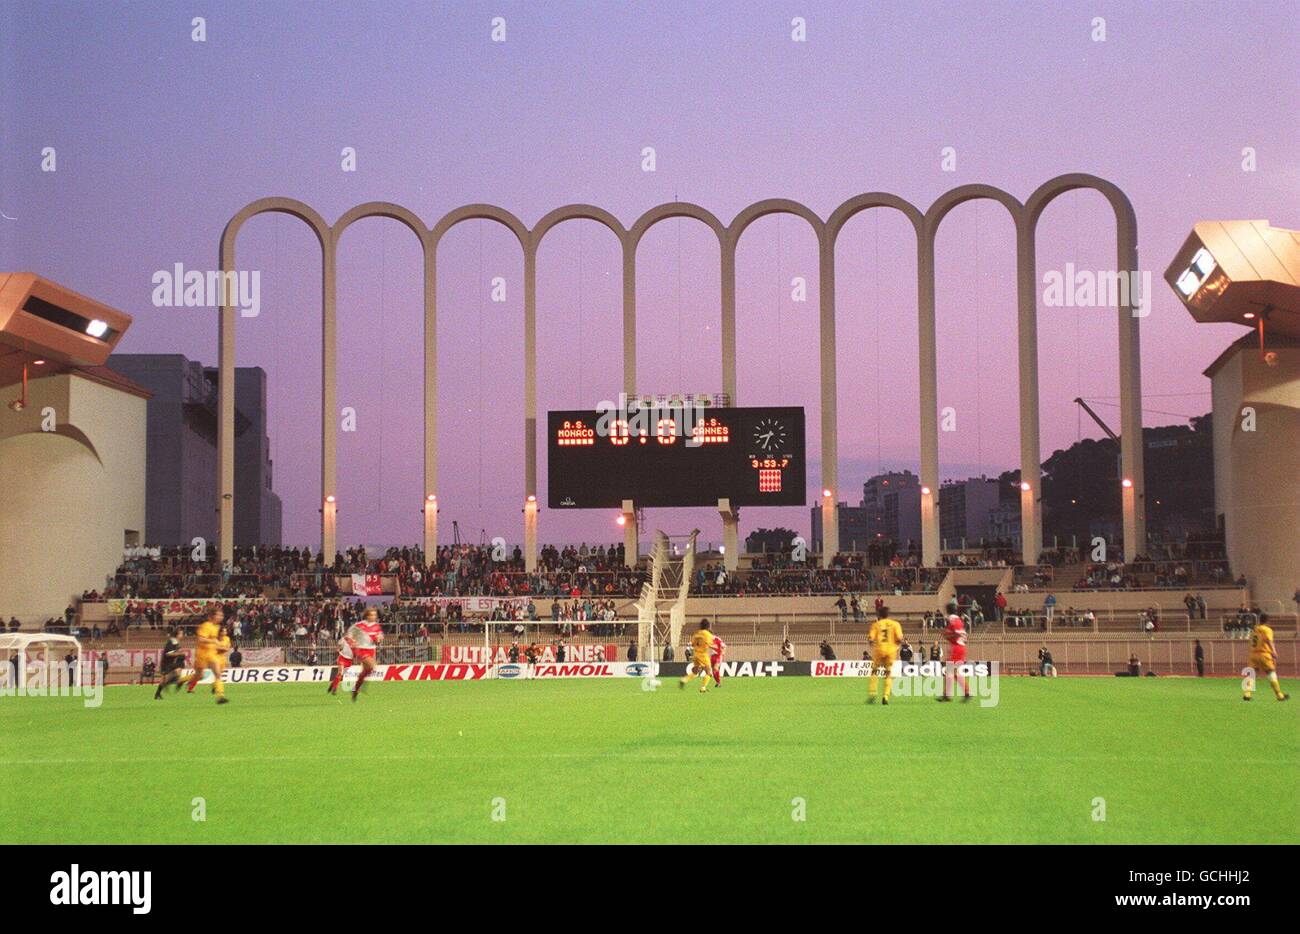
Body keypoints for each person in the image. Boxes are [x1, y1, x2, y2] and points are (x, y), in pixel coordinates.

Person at [328, 607, 384, 701]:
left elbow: (380, 637)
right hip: (361, 650)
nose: (373, 616)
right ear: (366, 615)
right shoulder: (359, 625)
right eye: (371, 614)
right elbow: (349, 634)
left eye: (375, 615)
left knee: (367, 671)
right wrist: (352, 642)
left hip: (372, 650)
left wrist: (379, 639)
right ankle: (346, 687)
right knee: (372, 665)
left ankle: (356, 689)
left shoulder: (376, 626)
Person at [179, 606, 229, 704]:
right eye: (219, 615)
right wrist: (214, 641)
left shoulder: (217, 627)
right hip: (202, 654)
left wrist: (218, 646)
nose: (221, 617)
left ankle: (220, 696)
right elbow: (200, 640)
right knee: (199, 675)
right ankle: (181, 680)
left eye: (221, 615)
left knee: (217, 674)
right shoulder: (206, 626)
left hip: (211, 654)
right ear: (212, 616)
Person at [1244, 613, 1289, 702]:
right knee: (1271, 672)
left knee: (1252, 674)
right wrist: (1274, 651)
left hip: (1253, 654)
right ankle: (1279, 695)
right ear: (1268, 621)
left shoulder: (1255, 629)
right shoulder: (1267, 630)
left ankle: (1247, 694)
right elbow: (1268, 640)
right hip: (1264, 654)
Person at [866, 606, 904, 705]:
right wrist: (898, 643)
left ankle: (873, 693)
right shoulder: (895, 624)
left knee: (874, 671)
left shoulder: (876, 625)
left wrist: (871, 642)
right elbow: (900, 638)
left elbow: (871, 638)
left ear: (879, 615)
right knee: (888, 673)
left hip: (879, 650)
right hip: (891, 651)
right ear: (888, 614)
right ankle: (885, 696)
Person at [939, 601, 970, 702]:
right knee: (954, 672)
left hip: (956, 647)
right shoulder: (959, 620)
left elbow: (957, 634)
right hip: (960, 647)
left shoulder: (952, 619)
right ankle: (966, 693)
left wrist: (947, 635)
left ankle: (947, 695)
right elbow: (963, 635)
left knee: (949, 671)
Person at [679, 619, 715, 694]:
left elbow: (692, 644)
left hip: (696, 654)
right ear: (708, 626)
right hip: (703, 655)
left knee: (695, 672)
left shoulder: (697, 633)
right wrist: (717, 647)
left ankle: (684, 680)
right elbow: (709, 644)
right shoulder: (707, 634)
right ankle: (703, 688)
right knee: (709, 672)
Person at [154, 627, 186, 698]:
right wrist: (179, 653)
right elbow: (168, 653)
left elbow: (177, 651)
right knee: (164, 680)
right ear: (177, 635)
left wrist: (181, 653)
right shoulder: (171, 642)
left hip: (171, 663)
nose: (182, 635)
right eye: (181, 634)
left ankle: (174, 683)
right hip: (166, 663)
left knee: (179, 672)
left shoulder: (176, 642)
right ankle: (158, 693)